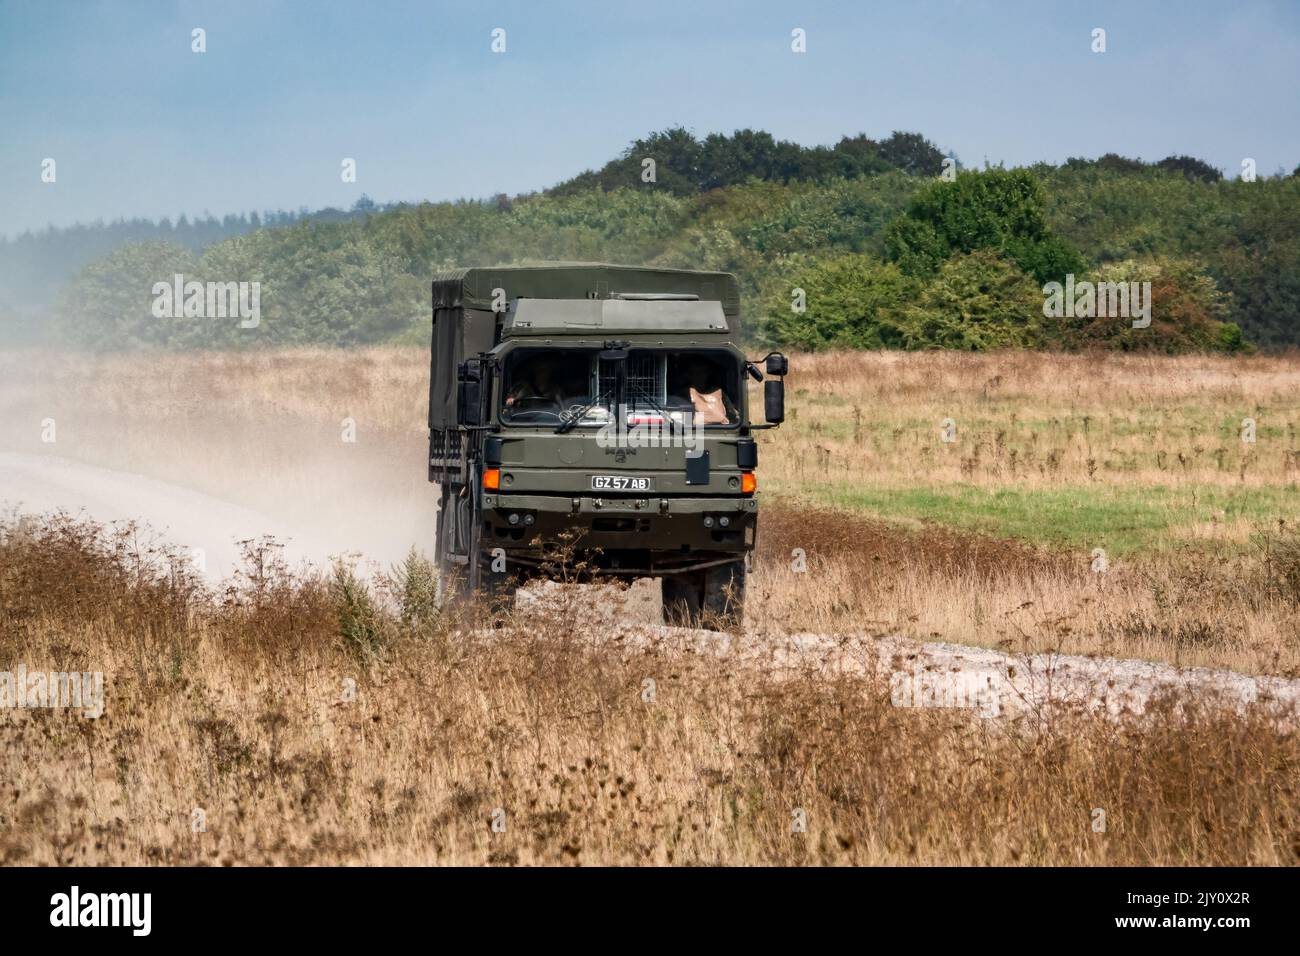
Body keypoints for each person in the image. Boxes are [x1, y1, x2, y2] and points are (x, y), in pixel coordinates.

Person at [678, 357, 736, 424]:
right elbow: (682, 419)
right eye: (695, 372)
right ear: (690, 375)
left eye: (702, 372)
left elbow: (733, 416)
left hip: (720, 430)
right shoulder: (684, 394)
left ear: (707, 374)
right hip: (696, 431)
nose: (698, 376)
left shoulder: (718, 392)